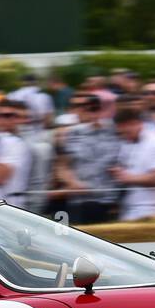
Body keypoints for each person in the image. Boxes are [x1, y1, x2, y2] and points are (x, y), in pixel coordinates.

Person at [52, 93, 121, 223]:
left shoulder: (115, 132)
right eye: (89, 109)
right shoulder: (72, 133)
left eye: (97, 109)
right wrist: (72, 182)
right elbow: (61, 165)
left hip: (108, 200)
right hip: (80, 200)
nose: (93, 114)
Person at [110, 107, 155, 220]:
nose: (123, 136)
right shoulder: (128, 143)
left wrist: (127, 177)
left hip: (154, 212)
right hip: (131, 209)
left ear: (133, 123)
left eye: (125, 132)